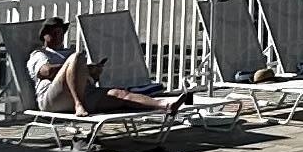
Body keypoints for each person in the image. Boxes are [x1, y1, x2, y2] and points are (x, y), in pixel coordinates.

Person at [21, 19, 184, 119]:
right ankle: (78, 104)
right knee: (77, 57)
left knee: (120, 94)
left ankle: (165, 105)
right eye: (53, 33)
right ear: (44, 36)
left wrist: (92, 73)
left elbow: (86, 79)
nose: (57, 36)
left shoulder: (69, 52)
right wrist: (78, 67)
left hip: (85, 93)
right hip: (53, 100)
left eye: (60, 32)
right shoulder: (39, 54)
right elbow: (46, 72)